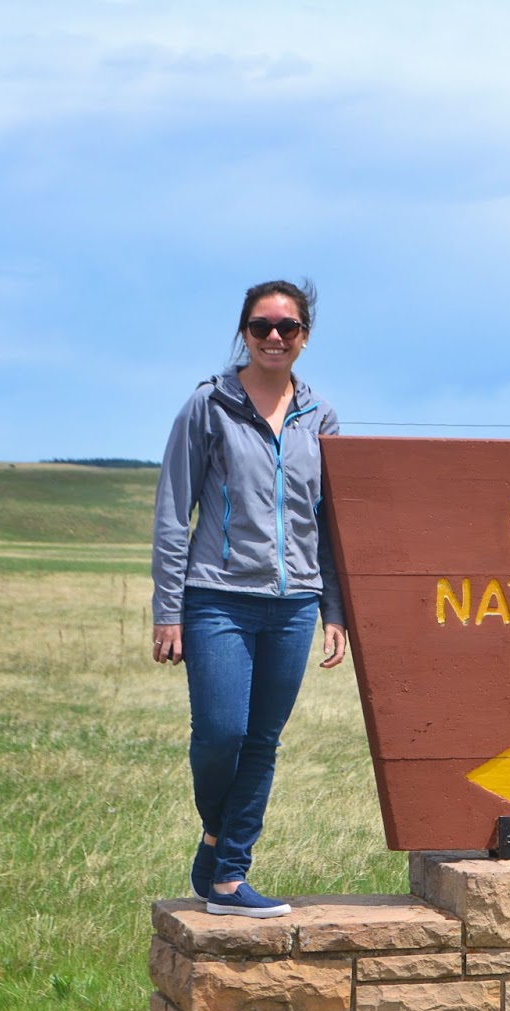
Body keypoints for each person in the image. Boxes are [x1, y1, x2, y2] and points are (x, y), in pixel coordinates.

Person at [150, 279, 347, 919]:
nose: (272, 337)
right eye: (261, 326)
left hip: (294, 604)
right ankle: (216, 835)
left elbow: (329, 521)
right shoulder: (209, 406)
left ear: (304, 338)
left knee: (262, 741)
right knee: (221, 733)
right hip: (218, 597)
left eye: (286, 328)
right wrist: (168, 609)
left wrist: (333, 611)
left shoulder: (321, 418)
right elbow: (175, 511)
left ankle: (228, 873)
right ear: (244, 331)